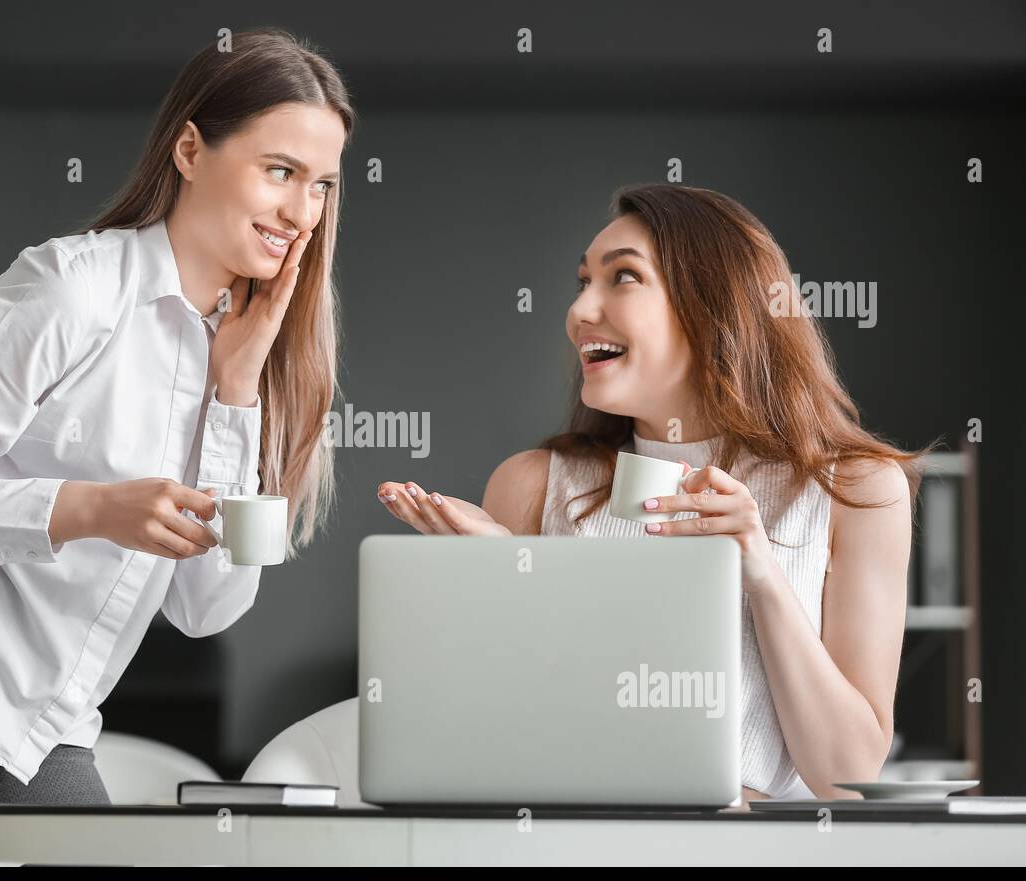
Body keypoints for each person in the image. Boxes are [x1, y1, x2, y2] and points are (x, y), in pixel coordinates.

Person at [0, 27, 352, 865]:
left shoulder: (250, 359)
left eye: (323, 185)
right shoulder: (73, 290)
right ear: (190, 149)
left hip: (38, 720)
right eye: (281, 171)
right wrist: (87, 511)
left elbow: (207, 608)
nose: (301, 211)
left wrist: (234, 394)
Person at [377, 183, 930, 805]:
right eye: (582, 281)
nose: (581, 310)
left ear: (713, 305)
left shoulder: (856, 490)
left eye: (623, 278)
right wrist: (513, 585)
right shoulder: (531, 483)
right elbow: (493, 739)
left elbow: (843, 772)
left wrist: (760, 573)